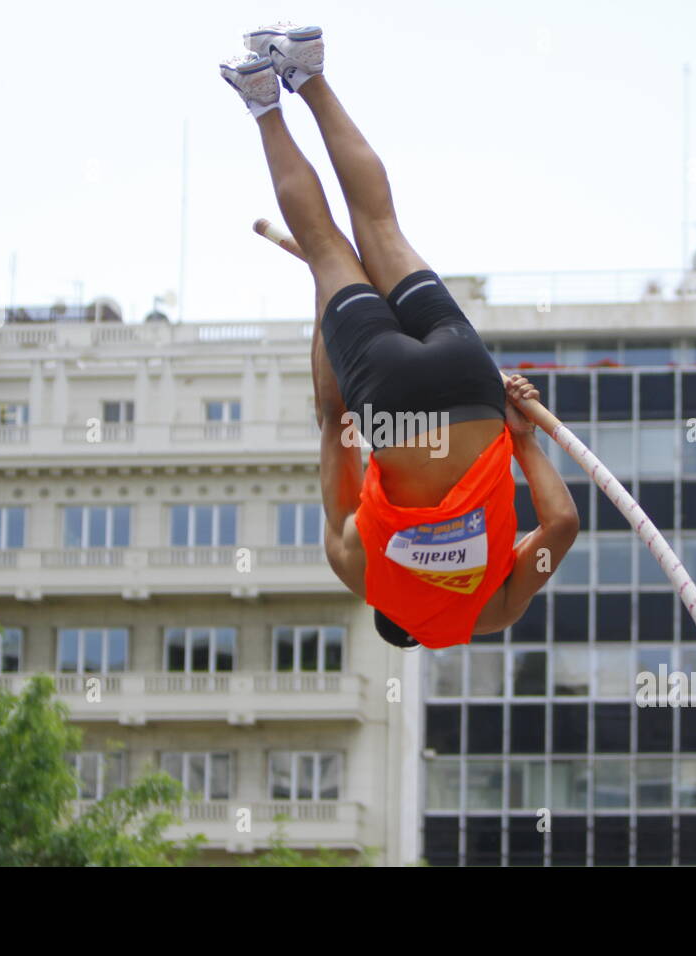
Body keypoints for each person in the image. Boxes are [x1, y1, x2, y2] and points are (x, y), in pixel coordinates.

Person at [220, 23, 578, 649]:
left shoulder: (491, 610)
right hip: (391, 407)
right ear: (387, 618)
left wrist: (519, 437)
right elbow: (334, 422)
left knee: (381, 226)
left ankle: (303, 75)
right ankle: (269, 95)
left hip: (473, 394)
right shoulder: (359, 572)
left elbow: (563, 524)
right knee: (344, 239)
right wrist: (325, 290)